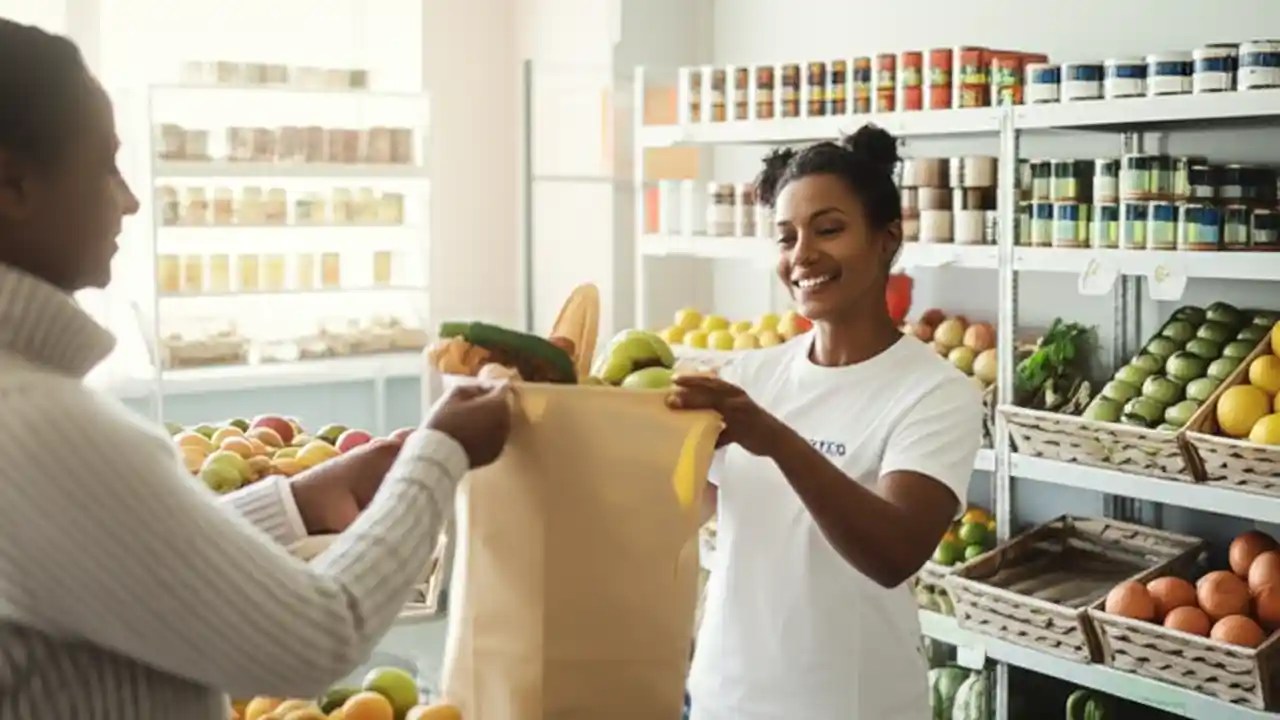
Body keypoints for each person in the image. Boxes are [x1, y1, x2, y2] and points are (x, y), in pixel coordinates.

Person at [0, 19, 511, 719]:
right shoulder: (38, 426)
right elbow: (315, 639)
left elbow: (127, 571)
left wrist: (293, 505)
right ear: (13, 185)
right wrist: (440, 452)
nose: (129, 199)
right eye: (105, 165)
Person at [670, 125, 983, 719]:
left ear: (887, 239)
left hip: (850, 704)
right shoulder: (751, 375)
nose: (802, 255)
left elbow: (893, 552)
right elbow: (685, 507)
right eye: (786, 237)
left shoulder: (935, 393)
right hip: (724, 696)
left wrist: (779, 442)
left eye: (829, 230)